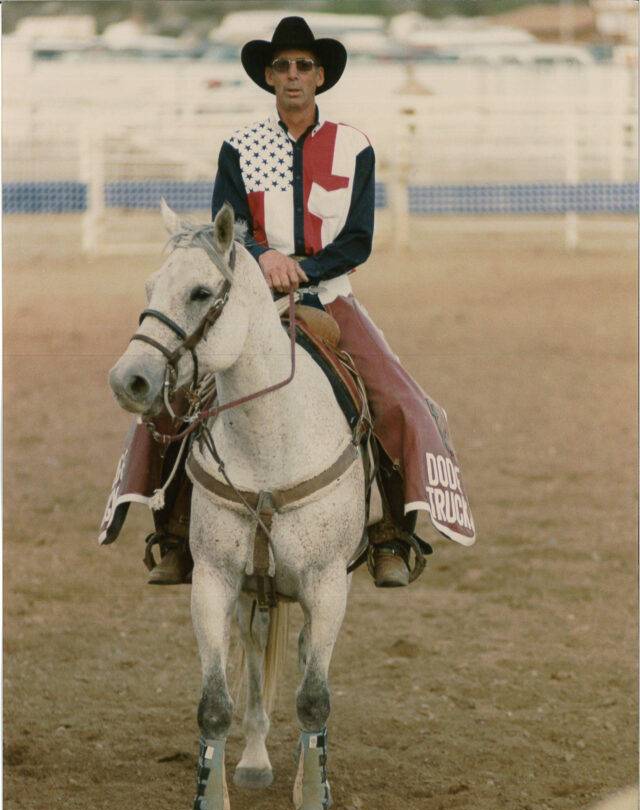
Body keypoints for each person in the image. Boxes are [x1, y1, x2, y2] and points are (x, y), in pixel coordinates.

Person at [99, 16, 475, 586]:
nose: (292, 75)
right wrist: (261, 256)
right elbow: (226, 228)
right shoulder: (240, 146)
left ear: (320, 76)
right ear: (269, 78)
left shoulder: (355, 147)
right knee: (172, 397)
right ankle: (173, 532)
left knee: (401, 403)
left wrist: (303, 268)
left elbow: (357, 241)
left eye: (303, 65)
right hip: (249, 299)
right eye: (281, 66)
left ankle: (393, 536)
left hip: (330, 296)